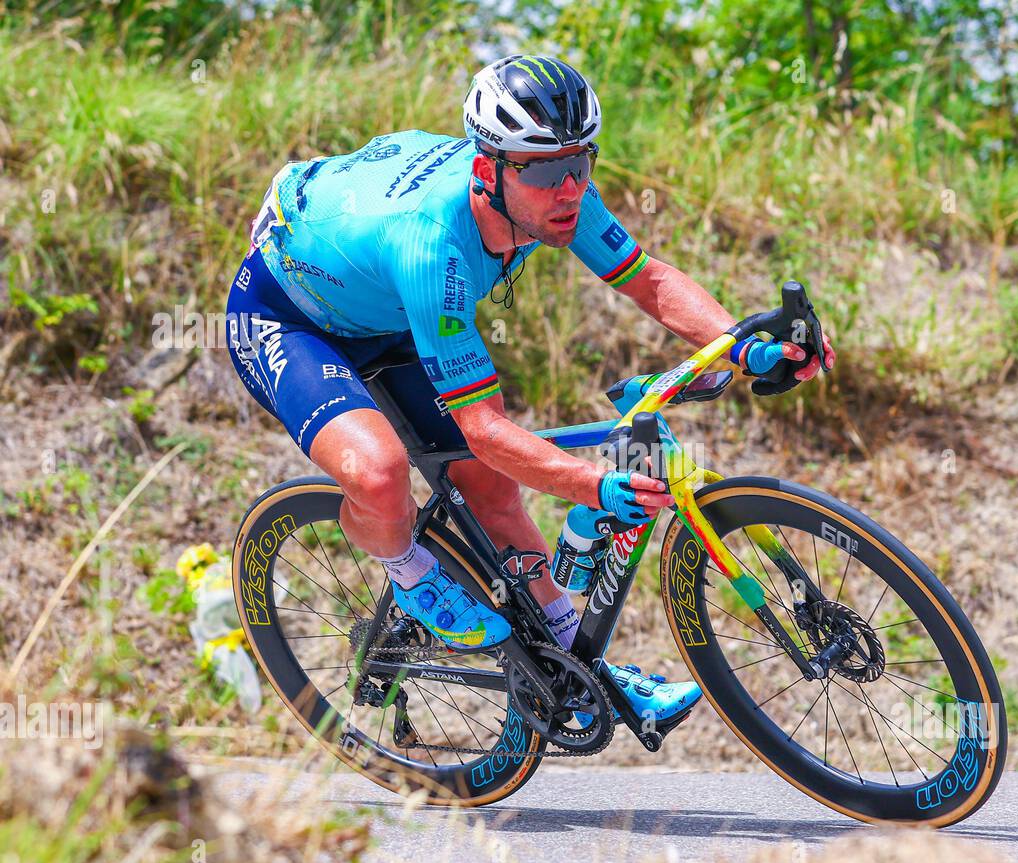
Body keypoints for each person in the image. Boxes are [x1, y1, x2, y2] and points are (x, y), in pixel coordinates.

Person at [225, 54, 835, 724]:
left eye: (582, 163)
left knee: (490, 488)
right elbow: (484, 430)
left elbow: (648, 279)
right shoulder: (434, 247)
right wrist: (593, 485)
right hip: (288, 317)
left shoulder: (555, 191)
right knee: (377, 474)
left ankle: (584, 667)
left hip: (388, 310)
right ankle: (405, 570)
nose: (569, 187)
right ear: (489, 170)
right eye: (546, 171)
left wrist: (743, 344)